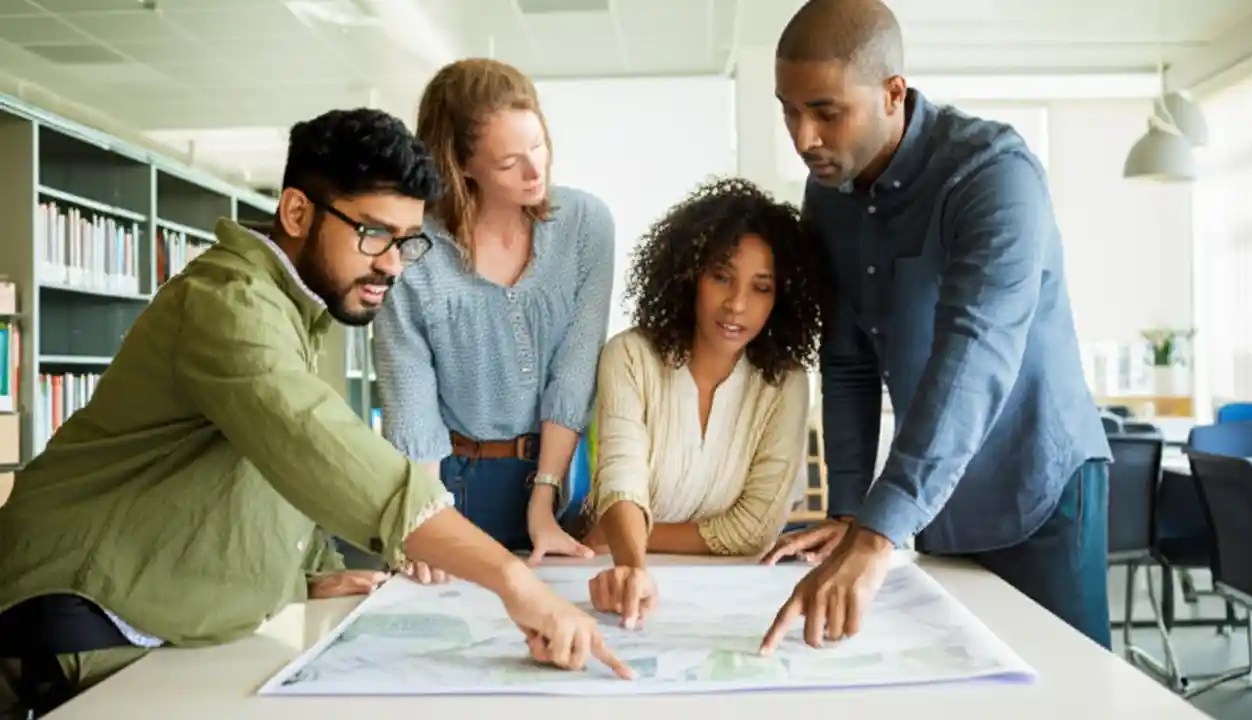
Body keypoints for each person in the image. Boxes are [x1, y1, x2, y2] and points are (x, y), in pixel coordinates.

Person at [0, 108, 631, 718]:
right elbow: (313, 442)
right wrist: (515, 585)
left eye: (406, 243)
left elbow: (260, 464)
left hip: (154, 618)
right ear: (297, 211)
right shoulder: (229, 305)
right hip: (88, 618)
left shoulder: (300, 306)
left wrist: (311, 569)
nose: (390, 263)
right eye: (373, 233)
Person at [759, 0, 1113, 654]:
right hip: (933, 495)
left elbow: (974, 358)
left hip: (1036, 482)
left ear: (893, 93)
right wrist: (848, 509)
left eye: (826, 112)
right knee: (970, 680)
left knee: (1069, 685)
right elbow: (848, 361)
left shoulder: (992, 175)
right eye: (788, 108)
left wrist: (877, 533)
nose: (802, 135)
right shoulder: (826, 194)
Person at [374, 58, 614, 564]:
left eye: (539, 146)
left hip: (561, 478)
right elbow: (411, 403)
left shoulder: (585, 225)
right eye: (509, 163)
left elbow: (574, 372)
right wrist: (425, 520)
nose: (535, 171)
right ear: (460, 166)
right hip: (448, 484)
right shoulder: (414, 253)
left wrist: (544, 502)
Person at [578, 178, 823, 627]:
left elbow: (753, 530)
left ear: (781, 298)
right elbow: (621, 481)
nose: (736, 304)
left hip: (727, 601)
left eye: (761, 288)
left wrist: (627, 539)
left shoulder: (785, 383)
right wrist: (631, 567)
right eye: (722, 277)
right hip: (617, 585)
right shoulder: (630, 356)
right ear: (691, 276)